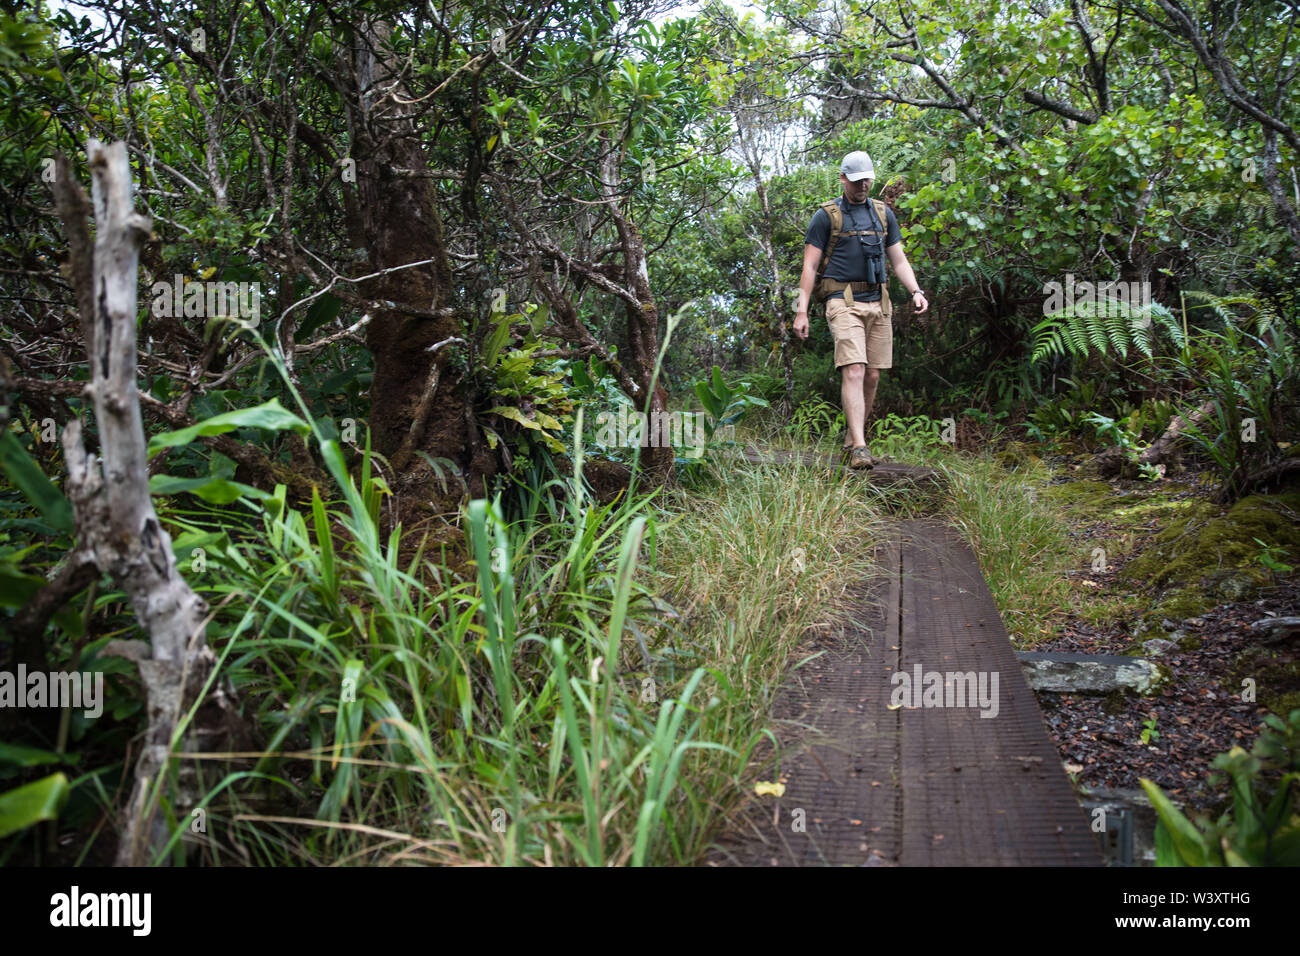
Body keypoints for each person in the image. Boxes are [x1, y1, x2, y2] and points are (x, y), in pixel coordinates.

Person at [793, 151, 928, 469]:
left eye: (867, 179)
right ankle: (861, 448)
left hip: (879, 301)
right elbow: (810, 267)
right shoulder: (826, 216)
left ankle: (853, 441)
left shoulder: (883, 214)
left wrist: (916, 291)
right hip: (842, 299)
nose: (862, 185)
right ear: (842, 179)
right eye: (856, 180)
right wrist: (801, 311)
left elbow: (898, 259)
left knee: (872, 375)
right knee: (853, 369)